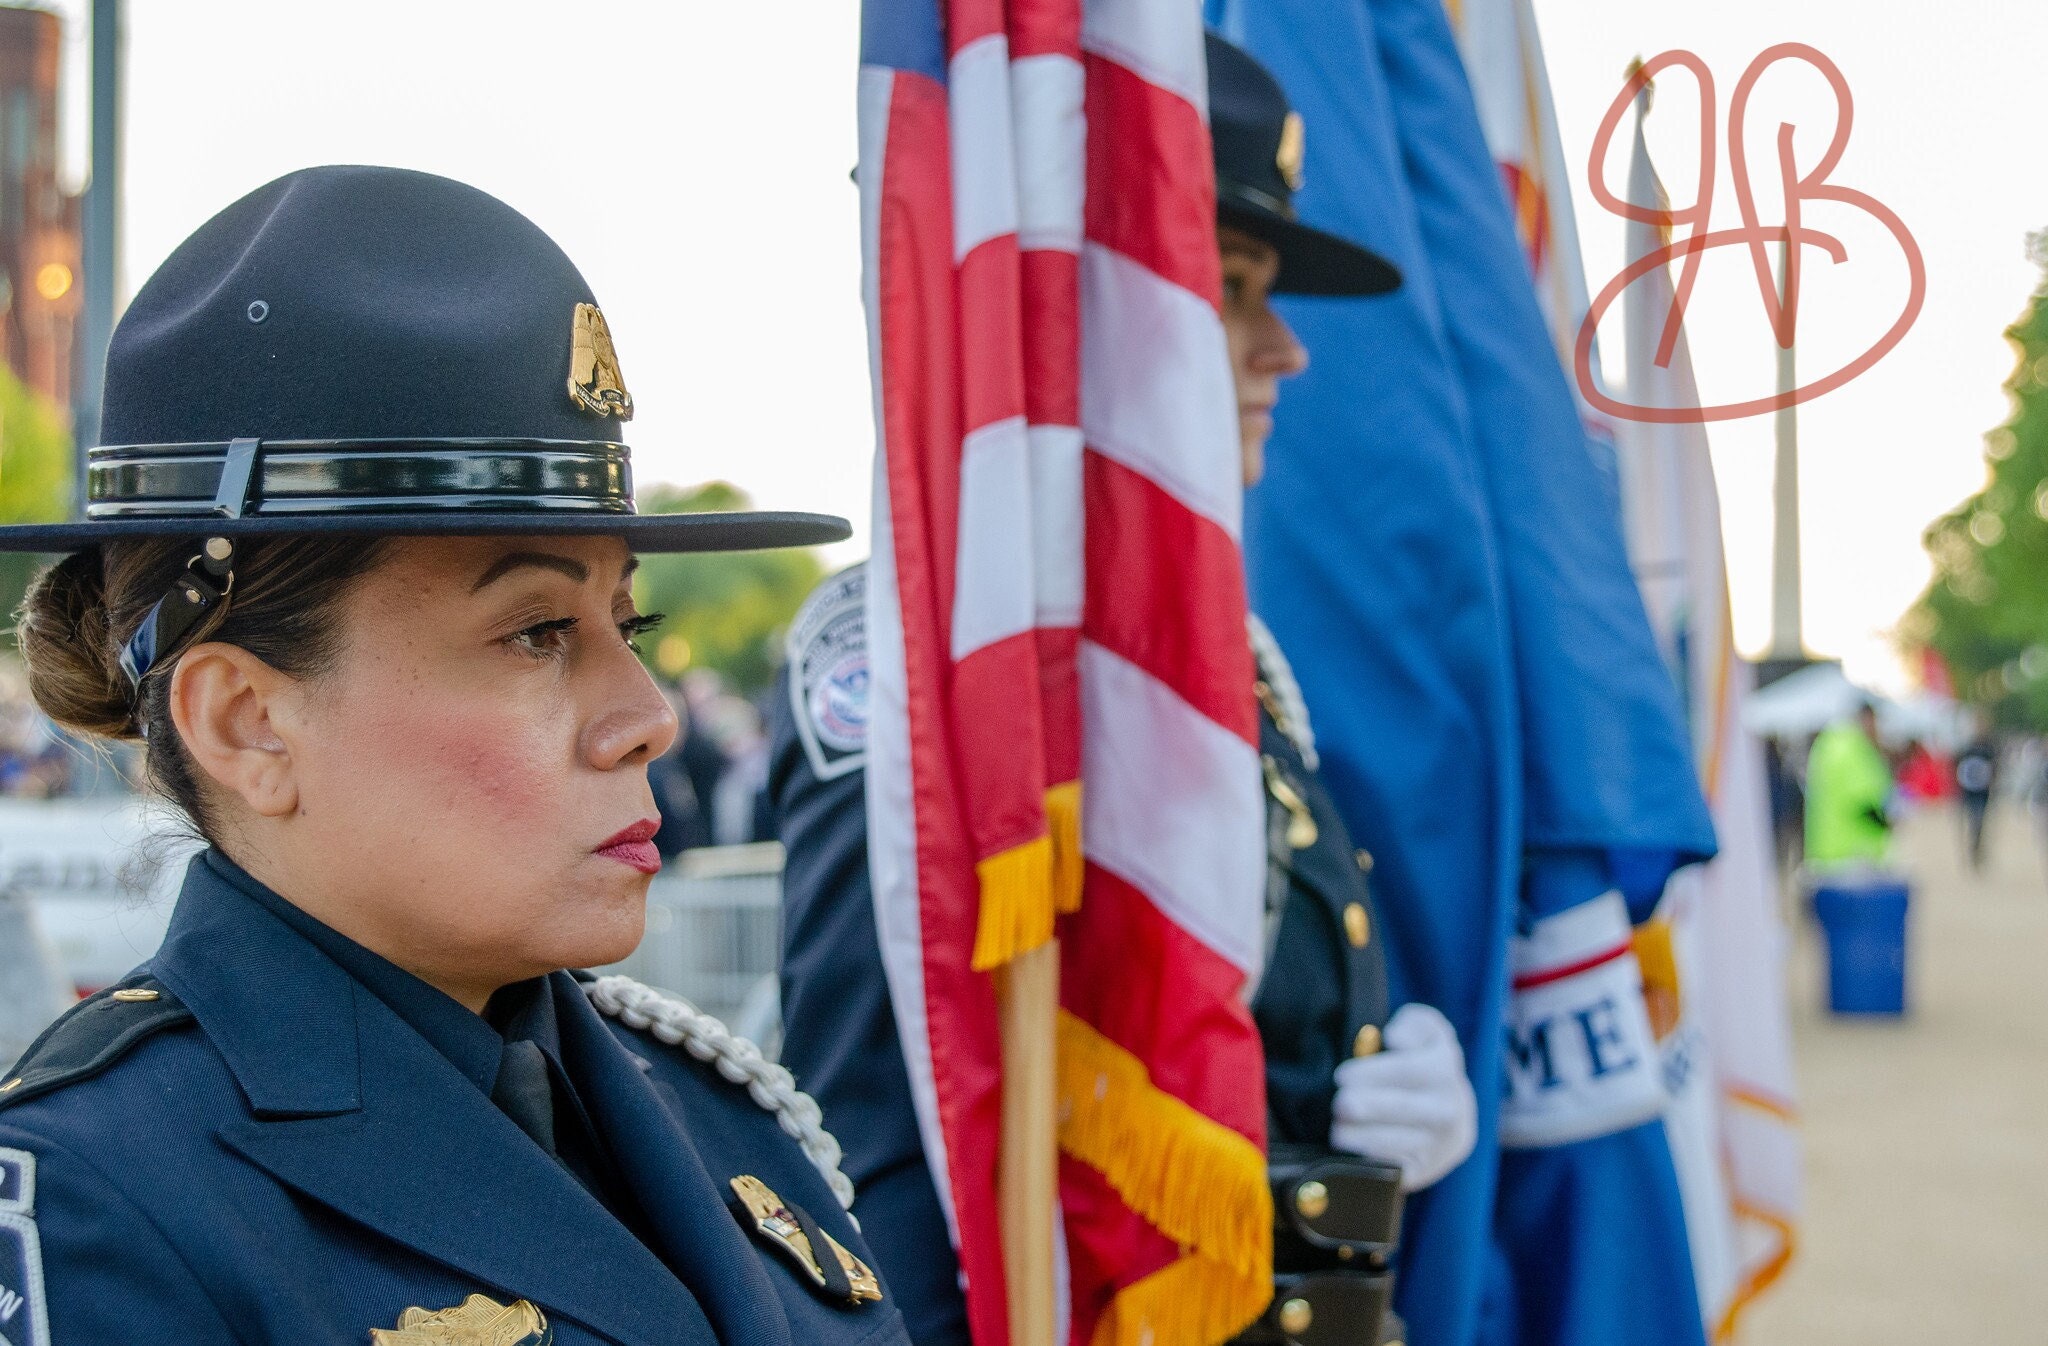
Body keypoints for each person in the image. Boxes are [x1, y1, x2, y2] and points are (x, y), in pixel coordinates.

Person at [0, 166, 910, 1346]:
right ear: (245, 724)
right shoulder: (91, 1193)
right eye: (537, 631)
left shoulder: (708, 1099)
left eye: (621, 625)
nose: (645, 715)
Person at [771, 34, 1476, 1346]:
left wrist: (1360, 1095)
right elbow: (876, 1133)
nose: (1285, 352)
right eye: (1231, 286)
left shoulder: (1214, 655)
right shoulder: (928, 660)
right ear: (1092, 303)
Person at [1804, 701, 1895, 870]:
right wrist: (1888, 824)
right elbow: (1862, 801)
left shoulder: (1829, 743)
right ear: (1867, 719)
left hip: (1824, 850)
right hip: (1854, 854)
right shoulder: (1854, 748)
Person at [1954, 730, 1997, 869]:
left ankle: (1977, 848)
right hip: (1970, 791)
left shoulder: (1987, 750)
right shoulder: (1969, 750)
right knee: (1974, 821)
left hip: (1981, 792)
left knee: (1979, 822)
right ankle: (1974, 849)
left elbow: (1993, 769)